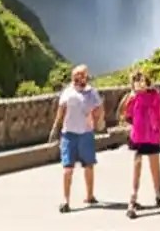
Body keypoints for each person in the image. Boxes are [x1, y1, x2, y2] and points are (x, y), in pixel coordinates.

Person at [48, 64, 103, 213]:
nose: (81, 78)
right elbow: (61, 111)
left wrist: (98, 122)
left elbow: (99, 108)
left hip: (86, 133)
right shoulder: (67, 93)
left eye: (83, 75)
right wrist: (55, 128)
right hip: (69, 134)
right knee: (67, 168)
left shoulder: (92, 93)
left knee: (89, 165)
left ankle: (90, 195)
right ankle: (66, 200)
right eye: (78, 75)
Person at [121, 69, 160, 218]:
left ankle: (158, 192)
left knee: (155, 165)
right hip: (138, 136)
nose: (140, 84)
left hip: (153, 135)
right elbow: (126, 115)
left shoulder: (155, 96)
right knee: (137, 165)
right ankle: (133, 197)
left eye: (142, 81)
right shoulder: (132, 98)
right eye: (136, 81)